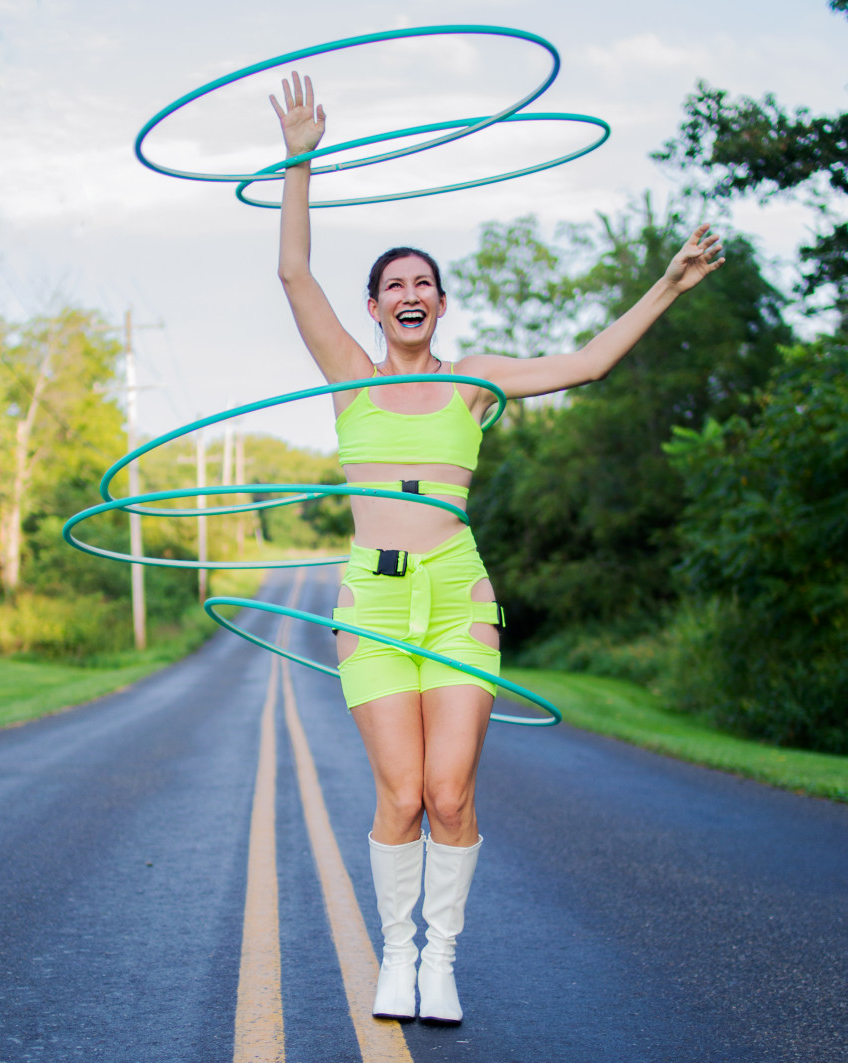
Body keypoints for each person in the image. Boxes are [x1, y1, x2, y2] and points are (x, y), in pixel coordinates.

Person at [270, 72, 725, 1025]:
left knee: (449, 789)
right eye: (392, 285)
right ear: (373, 306)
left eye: (422, 284)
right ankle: (397, 955)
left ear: (439, 305)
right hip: (374, 600)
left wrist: (670, 283)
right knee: (399, 793)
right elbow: (293, 276)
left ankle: (443, 961)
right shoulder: (348, 376)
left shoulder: (475, 382)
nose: (409, 294)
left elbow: (590, 362)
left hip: (457, 594)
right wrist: (301, 159)